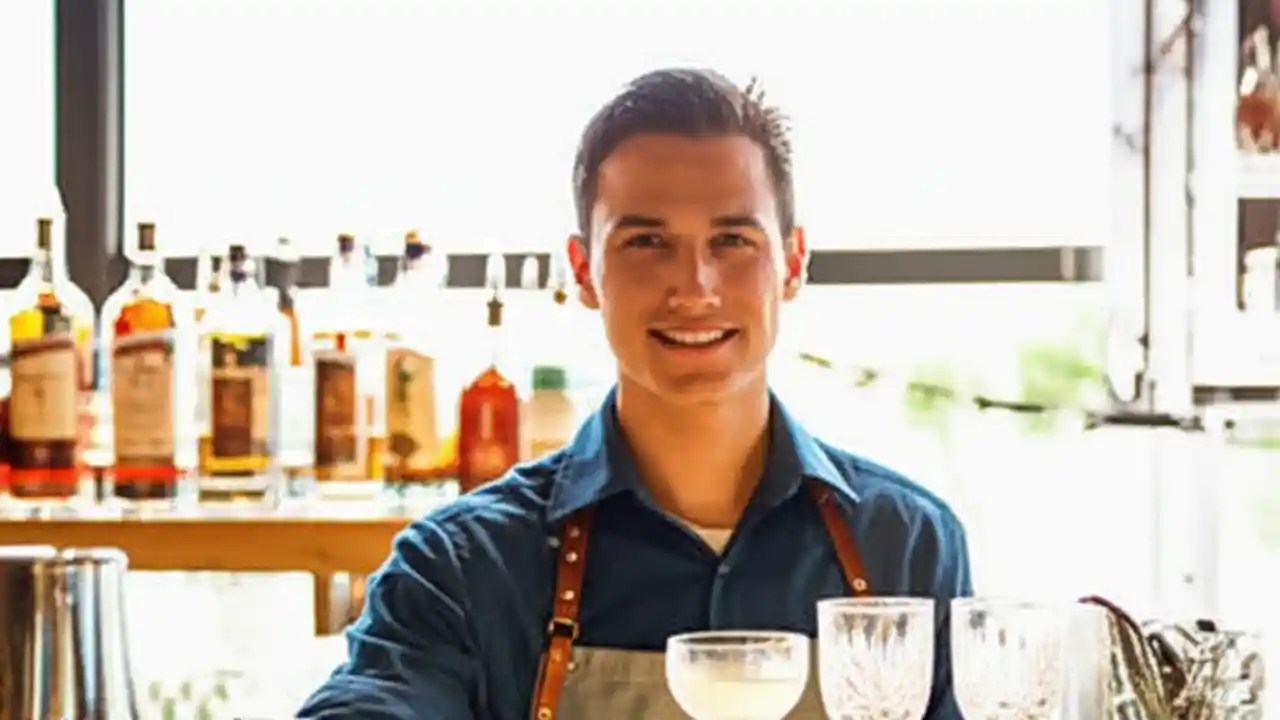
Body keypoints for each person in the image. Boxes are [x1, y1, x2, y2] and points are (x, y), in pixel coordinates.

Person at [298, 67, 972, 719]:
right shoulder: (465, 565)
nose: (694, 287)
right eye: (647, 241)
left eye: (732, 239)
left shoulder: (908, 545)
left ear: (792, 264)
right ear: (584, 271)